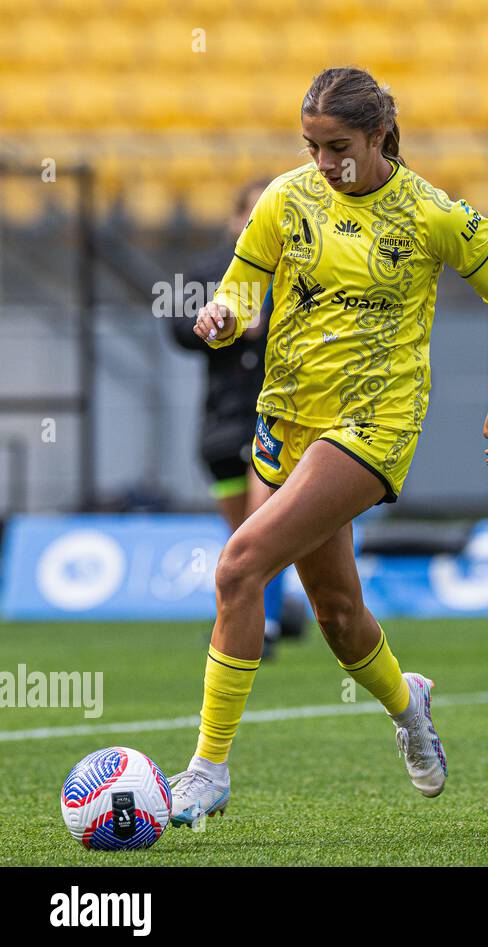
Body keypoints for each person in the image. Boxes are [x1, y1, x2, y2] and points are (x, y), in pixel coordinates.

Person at [166, 67, 488, 826]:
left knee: (239, 565)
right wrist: (223, 317)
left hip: (374, 426)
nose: (323, 163)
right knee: (337, 613)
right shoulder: (284, 198)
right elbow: (242, 284)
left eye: (337, 147)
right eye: (311, 146)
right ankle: (410, 705)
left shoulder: (431, 214)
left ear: (377, 136)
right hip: (287, 421)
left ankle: (208, 767)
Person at [165, 180, 297, 659]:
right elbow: (177, 328)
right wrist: (220, 325)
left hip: (279, 412)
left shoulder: (299, 270)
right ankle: (247, 617)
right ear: (235, 218)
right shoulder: (207, 273)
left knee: (263, 521)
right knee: (242, 533)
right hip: (222, 420)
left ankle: (268, 625)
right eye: (251, 212)